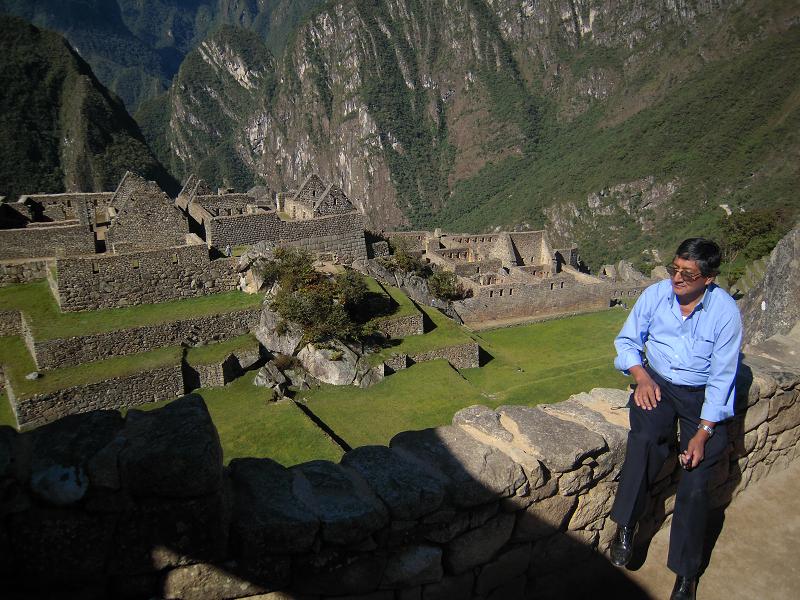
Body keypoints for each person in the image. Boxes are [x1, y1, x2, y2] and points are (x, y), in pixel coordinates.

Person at [608, 238, 742, 600]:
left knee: (697, 477)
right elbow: (627, 342)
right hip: (657, 382)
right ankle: (626, 524)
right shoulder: (656, 295)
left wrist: (704, 430)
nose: (677, 278)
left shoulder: (725, 313)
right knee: (646, 441)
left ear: (709, 278)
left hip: (701, 395)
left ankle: (686, 572)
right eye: (674, 269)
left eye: (687, 273)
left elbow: (722, 376)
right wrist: (641, 375)